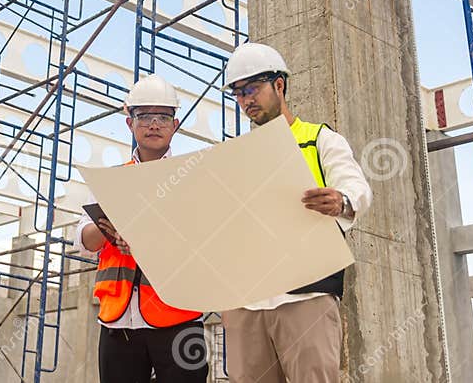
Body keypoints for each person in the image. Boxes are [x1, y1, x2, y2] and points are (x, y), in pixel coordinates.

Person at [221, 42, 372, 383]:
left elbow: (356, 187)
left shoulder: (320, 139)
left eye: (253, 89)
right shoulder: (237, 156)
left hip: (307, 292)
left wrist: (342, 201)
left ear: (279, 85)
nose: (246, 100)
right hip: (247, 299)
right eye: (239, 93)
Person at [74, 74, 209, 383]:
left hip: (179, 318)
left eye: (162, 117)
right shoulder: (110, 182)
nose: (153, 124)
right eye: (144, 116)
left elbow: (208, 242)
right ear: (129, 123)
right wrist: (109, 223)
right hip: (119, 322)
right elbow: (83, 240)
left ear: (175, 125)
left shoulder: (194, 181)